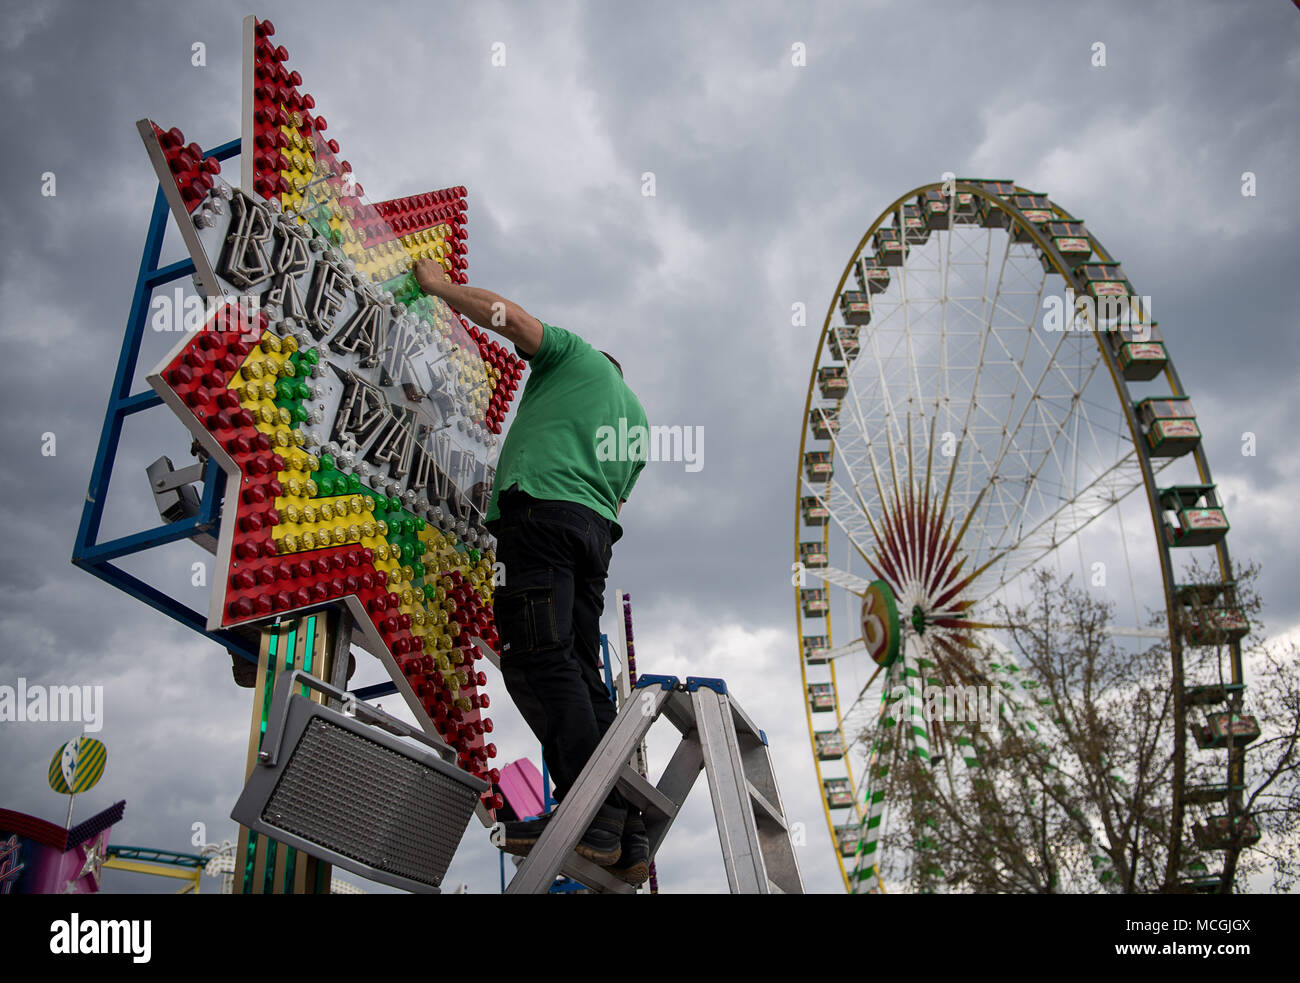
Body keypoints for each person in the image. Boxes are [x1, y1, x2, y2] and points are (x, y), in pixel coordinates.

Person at [413, 259, 651, 885]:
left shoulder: (574, 357)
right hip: (594, 537)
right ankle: (620, 823)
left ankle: (586, 807)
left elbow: (509, 319)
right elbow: (618, 499)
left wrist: (438, 287)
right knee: (578, 668)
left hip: (540, 518)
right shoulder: (640, 424)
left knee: (536, 657)